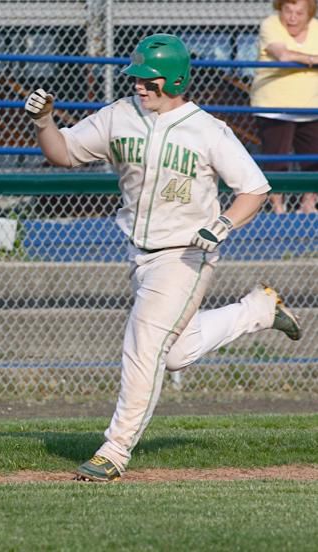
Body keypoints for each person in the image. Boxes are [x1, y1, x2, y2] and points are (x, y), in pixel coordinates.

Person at [25, 33, 303, 482]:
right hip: (140, 255)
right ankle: (258, 310)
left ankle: (115, 449)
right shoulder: (120, 115)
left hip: (187, 255)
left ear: (174, 80)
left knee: (144, 344)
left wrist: (223, 224)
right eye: (136, 77)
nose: (139, 85)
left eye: (149, 79)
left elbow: (254, 189)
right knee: (175, 353)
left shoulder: (208, 130)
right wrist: (44, 122)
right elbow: (63, 153)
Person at [250, 0, 318, 214]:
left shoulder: (316, 28)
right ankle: (278, 210)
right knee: (276, 162)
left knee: (313, 161)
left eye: (299, 13)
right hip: (275, 108)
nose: (292, 18)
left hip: (311, 108)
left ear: (309, 14)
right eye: (288, 11)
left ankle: (309, 206)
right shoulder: (271, 24)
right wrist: (312, 59)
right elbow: (283, 55)